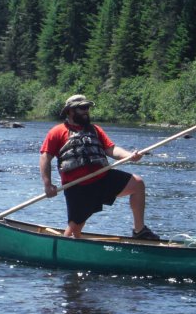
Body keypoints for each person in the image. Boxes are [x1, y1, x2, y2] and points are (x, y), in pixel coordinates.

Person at [39, 94, 159, 240]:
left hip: (103, 179)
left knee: (137, 183)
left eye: (87, 107)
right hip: (77, 187)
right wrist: (47, 184)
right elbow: (45, 157)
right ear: (70, 111)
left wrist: (129, 155)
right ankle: (66, 250)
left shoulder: (95, 130)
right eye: (82, 108)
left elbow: (111, 150)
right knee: (73, 233)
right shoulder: (57, 132)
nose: (86, 111)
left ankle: (139, 231)